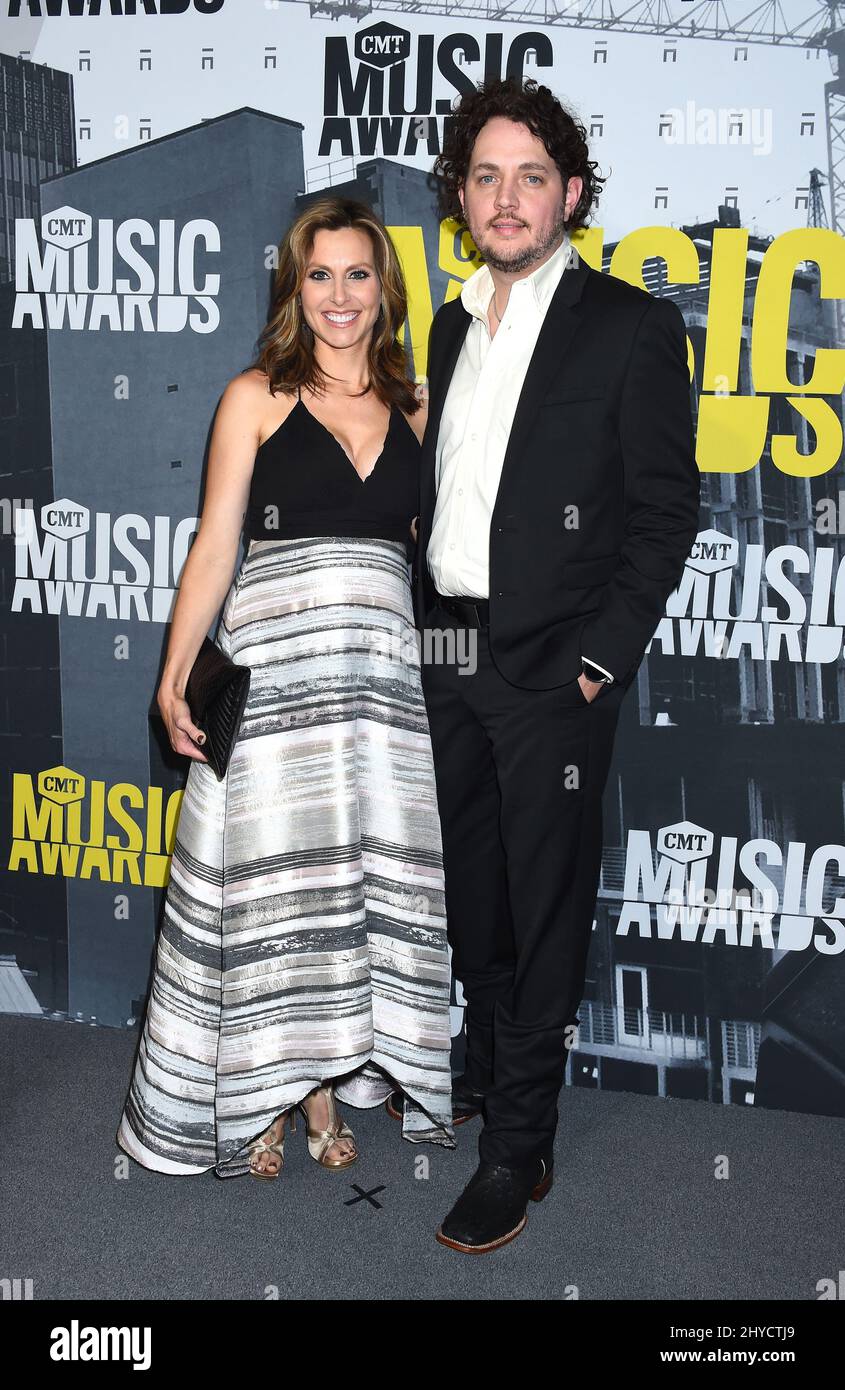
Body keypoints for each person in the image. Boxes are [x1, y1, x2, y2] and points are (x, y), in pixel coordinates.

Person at [406, 76, 701, 1250]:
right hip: (450, 647)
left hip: (551, 673)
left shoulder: (627, 325)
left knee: (543, 905)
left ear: (570, 193)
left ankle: (515, 1145)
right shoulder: (443, 318)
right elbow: (448, 505)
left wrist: (597, 664)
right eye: (484, 175)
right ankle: (489, 1074)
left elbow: (663, 512)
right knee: (471, 894)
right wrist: (434, 651)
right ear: (460, 197)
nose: (507, 196)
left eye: (531, 175)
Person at [116, 195, 455, 1181]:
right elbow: (215, 544)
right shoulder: (255, 395)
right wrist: (174, 673)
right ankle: (266, 1094)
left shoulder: (419, 407)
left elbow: (440, 553)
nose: (338, 295)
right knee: (268, 898)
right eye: (319, 275)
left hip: (374, 703)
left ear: (383, 287)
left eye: (357, 274)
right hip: (272, 694)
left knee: (346, 893)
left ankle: (326, 1088)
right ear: (292, 287)